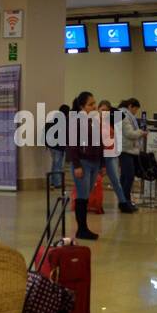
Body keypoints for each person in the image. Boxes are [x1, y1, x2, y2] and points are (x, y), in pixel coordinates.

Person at [67, 91, 104, 239]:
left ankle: (83, 228)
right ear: (82, 106)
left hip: (94, 162)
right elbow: (72, 145)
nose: (94, 107)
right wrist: (76, 165)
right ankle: (81, 229)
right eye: (91, 104)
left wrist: (102, 163)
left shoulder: (93, 121)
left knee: (86, 195)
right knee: (82, 196)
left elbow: (100, 143)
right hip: (83, 162)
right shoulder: (76, 121)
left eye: (95, 103)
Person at [97, 100, 136, 214]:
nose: (104, 113)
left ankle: (123, 202)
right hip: (99, 156)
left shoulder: (111, 122)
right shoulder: (94, 122)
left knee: (116, 181)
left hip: (111, 155)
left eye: (106, 111)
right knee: (94, 182)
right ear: (98, 109)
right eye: (102, 110)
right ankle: (94, 203)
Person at [118, 99, 145, 206]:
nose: (135, 112)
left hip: (125, 149)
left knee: (125, 176)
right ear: (130, 106)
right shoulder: (125, 116)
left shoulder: (122, 114)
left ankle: (124, 200)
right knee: (129, 176)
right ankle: (125, 201)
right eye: (135, 109)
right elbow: (130, 134)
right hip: (126, 150)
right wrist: (141, 132)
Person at [45, 104, 70, 190]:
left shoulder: (54, 120)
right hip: (59, 146)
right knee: (58, 165)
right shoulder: (64, 121)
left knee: (55, 164)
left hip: (52, 146)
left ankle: (52, 181)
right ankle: (57, 183)